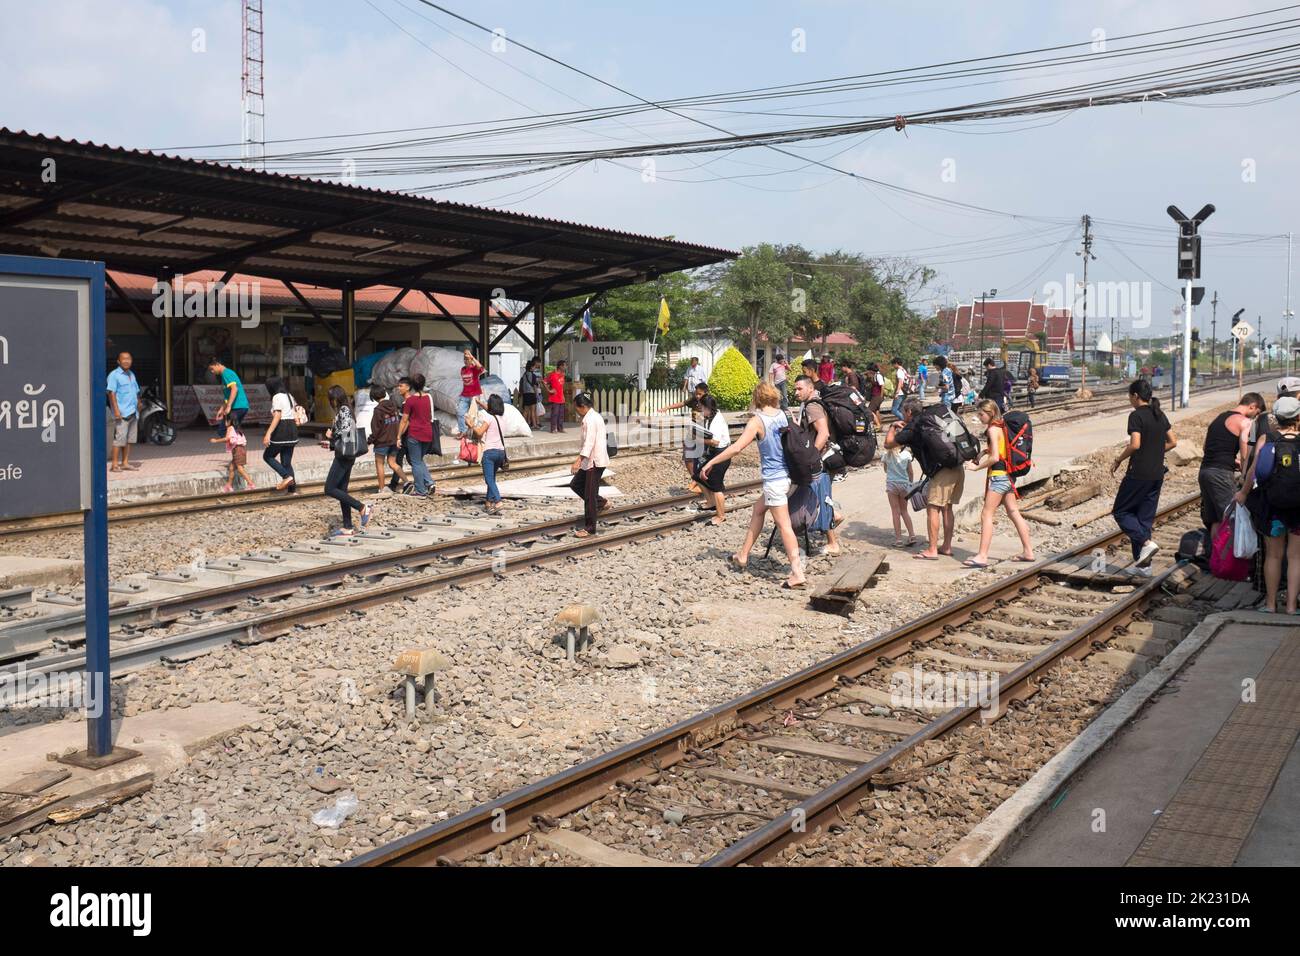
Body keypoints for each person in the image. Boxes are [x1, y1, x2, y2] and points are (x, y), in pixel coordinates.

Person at [700, 381, 806, 588]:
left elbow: (736, 448)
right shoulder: (784, 414)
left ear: (756, 398)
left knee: (784, 526)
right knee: (758, 510)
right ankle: (743, 555)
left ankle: (797, 572)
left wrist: (711, 462)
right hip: (788, 477)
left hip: (774, 480)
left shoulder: (757, 422)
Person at [1235, 396, 1300, 613]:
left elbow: (1254, 471)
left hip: (1272, 505)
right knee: (1296, 557)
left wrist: (1243, 493)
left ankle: (1270, 605)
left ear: (1276, 418)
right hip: (1298, 507)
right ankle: (1291, 606)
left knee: (1273, 555)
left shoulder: (1267, 438)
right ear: (1298, 417)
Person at [887, 398, 964, 560]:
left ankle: (932, 550)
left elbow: (888, 444)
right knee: (947, 508)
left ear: (909, 412)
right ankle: (947, 547)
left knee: (933, 508)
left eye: (903, 411)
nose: (902, 414)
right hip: (957, 465)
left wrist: (892, 427)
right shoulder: (932, 418)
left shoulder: (913, 427)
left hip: (941, 472)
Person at [1111, 379, 1176, 572]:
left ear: (1135, 396)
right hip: (1157, 473)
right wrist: (1155, 450)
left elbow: (1135, 444)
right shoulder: (1159, 414)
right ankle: (1143, 567)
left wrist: (1118, 459)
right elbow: (1173, 442)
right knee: (1143, 519)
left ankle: (1146, 543)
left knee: (1121, 512)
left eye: (1129, 396)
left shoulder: (1136, 416)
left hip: (1138, 473)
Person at [964, 399, 1035, 567]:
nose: (979, 417)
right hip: (1008, 476)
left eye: (981, 414)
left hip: (999, 476)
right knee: (1013, 511)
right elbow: (1000, 449)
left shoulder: (992, 429)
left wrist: (975, 468)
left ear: (989, 413)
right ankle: (1028, 551)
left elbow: (995, 457)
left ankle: (982, 556)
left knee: (986, 514)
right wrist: (983, 452)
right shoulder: (1001, 426)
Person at [1199, 393, 1264, 543]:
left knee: (1216, 519)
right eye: (1257, 413)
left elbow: (1206, 447)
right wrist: (1246, 477)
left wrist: (1229, 459)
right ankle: (1230, 562)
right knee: (1232, 517)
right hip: (1221, 474)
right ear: (1252, 407)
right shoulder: (1246, 422)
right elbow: (1245, 455)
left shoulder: (1219, 418)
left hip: (1205, 471)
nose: (1256, 417)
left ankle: (1216, 559)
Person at [793, 375, 842, 556]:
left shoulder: (812, 405)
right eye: (795, 389)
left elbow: (823, 433)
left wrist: (811, 457)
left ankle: (832, 543)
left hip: (819, 460)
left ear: (810, 388)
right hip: (823, 458)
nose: (796, 392)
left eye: (799, 389)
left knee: (822, 498)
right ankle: (833, 518)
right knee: (822, 497)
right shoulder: (814, 403)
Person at [322, 384, 372, 535]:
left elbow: (345, 432)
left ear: (336, 398)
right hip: (346, 454)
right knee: (342, 490)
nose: (331, 402)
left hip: (344, 456)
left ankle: (362, 507)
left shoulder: (343, 410)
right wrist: (331, 444)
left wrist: (331, 436)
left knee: (329, 488)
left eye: (331, 399)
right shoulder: (346, 409)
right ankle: (348, 527)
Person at [569, 392, 609, 537]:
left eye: (576, 408)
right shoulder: (593, 416)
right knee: (576, 485)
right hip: (590, 461)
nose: (576, 411)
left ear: (583, 407)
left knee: (589, 495)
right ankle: (601, 502)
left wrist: (578, 461)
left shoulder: (590, 419)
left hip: (594, 461)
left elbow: (589, 442)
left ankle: (590, 528)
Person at [658, 382, 710, 483]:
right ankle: (695, 479)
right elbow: (682, 404)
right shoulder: (694, 399)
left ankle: (705, 478)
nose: (697, 396)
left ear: (706, 393)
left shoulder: (709, 402)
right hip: (694, 430)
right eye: (696, 393)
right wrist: (667, 408)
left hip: (705, 432)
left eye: (700, 394)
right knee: (687, 455)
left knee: (703, 457)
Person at [692, 394, 730, 525]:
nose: (701, 410)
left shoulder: (717, 420)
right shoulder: (712, 415)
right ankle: (711, 503)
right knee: (698, 476)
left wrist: (699, 440)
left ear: (707, 407)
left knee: (716, 486)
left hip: (721, 454)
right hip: (714, 453)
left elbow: (715, 441)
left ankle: (721, 515)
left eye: (702, 407)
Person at [397, 373, 435, 497]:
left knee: (416, 462)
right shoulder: (428, 397)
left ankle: (420, 490)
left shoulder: (410, 400)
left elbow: (404, 420)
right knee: (419, 460)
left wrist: (398, 436)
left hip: (415, 434)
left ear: (411, 386)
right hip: (428, 433)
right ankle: (429, 482)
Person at [261, 375, 298, 493]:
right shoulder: (289, 396)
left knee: (267, 456)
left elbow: (278, 416)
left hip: (282, 429)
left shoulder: (276, 396)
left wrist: (268, 434)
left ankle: (286, 477)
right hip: (292, 430)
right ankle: (292, 491)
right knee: (286, 462)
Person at [882, 420, 917, 547]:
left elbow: (886, 470)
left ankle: (898, 539)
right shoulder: (907, 454)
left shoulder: (887, 454)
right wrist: (910, 484)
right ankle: (912, 535)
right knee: (904, 511)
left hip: (891, 484)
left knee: (895, 512)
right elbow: (910, 472)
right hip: (904, 484)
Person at [472, 393, 508, 515]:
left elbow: (479, 433)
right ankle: (488, 503)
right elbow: (490, 410)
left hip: (490, 452)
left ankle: (498, 501)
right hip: (501, 453)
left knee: (489, 480)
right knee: (492, 478)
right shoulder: (502, 418)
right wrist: (480, 403)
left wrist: (470, 425)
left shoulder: (488, 418)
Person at [106, 351, 141, 472]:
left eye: (129, 359)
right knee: (119, 439)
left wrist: (139, 403)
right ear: (118, 361)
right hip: (122, 413)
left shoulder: (131, 374)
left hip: (133, 411)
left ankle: (125, 462)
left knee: (129, 440)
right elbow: (111, 393)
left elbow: (136, 391)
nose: (126, 361)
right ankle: (114, 464)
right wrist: (116, 411)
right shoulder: (114, 375)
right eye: (124, 359)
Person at [368, 384, 405, 495]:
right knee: (393, 463)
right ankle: (407, 482)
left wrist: (369, 441)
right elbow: (397, 422)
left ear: (373, 397)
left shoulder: (378, 410)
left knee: (380, 464)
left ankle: (382, 489)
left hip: (382, 442)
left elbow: (376, 429)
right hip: (393, 441)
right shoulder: (393, 406)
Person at [211, 413, 254, 492]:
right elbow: (231, 440)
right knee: (231, 468)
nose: (224, 423)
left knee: (240, 468)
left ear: (229, 421)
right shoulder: (237, 429)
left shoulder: (230, 428)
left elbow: (227, 439)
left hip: (238, 450)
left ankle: (251, 484)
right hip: (240, 450)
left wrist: (216, 440)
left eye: (225, 420)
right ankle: (229, 485)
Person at [207, 356, 249, 434]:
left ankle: (238, 445)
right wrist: (222, 408)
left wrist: (229, 406)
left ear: (217, 364)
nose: (212, 372)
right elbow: (228, 396)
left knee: (223, 431)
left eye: (212, 369)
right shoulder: (225, 375)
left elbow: (234, 389)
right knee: (233, 432)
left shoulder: (226, 373)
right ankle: (239, 444)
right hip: (239, 406)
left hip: (237, 407)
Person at [454, 349, 485, 437]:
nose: (466, 361)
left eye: (468, 359)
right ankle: (463, 431)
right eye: (465, 359)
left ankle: (476, 433)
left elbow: (480, 367)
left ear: (471, 360)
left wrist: (472, 357)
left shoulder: (474, 369)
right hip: (464, 395)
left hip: (474, 396)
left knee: (474, 415)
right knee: (460, 412)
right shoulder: (463, 369)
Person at [546, 361, 567, 433]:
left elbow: (561, 387)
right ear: (560, 366)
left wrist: (563, 395)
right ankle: (553, 428)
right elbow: (544, 382)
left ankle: (560, 428)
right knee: (555, 414)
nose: (565, 367)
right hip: (555, 398)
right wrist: (549, 390)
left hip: (561, 397)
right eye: (564, 366)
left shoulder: (563, 375)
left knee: (561, 414)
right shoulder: (552, 374)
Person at [520, 358, 541, 430]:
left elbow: (522, 384)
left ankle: (522, 425)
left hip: (525, 394)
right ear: (531, 367)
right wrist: (537, 394)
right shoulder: (533, 375)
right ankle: (534, 425)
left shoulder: (524, 375)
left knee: (525, 411)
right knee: (533, 410)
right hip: (532, 394)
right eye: (534, 367)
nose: (535, 368)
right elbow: (534, 386)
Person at [865, 362, 885, 431]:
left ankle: (878, 425)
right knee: (876, 411)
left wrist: (881, 396)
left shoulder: (878, 376)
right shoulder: (874, 375)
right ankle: (880, 426)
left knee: (869, 410)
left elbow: (882, 385)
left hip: (877, 396)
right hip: (875, 396)